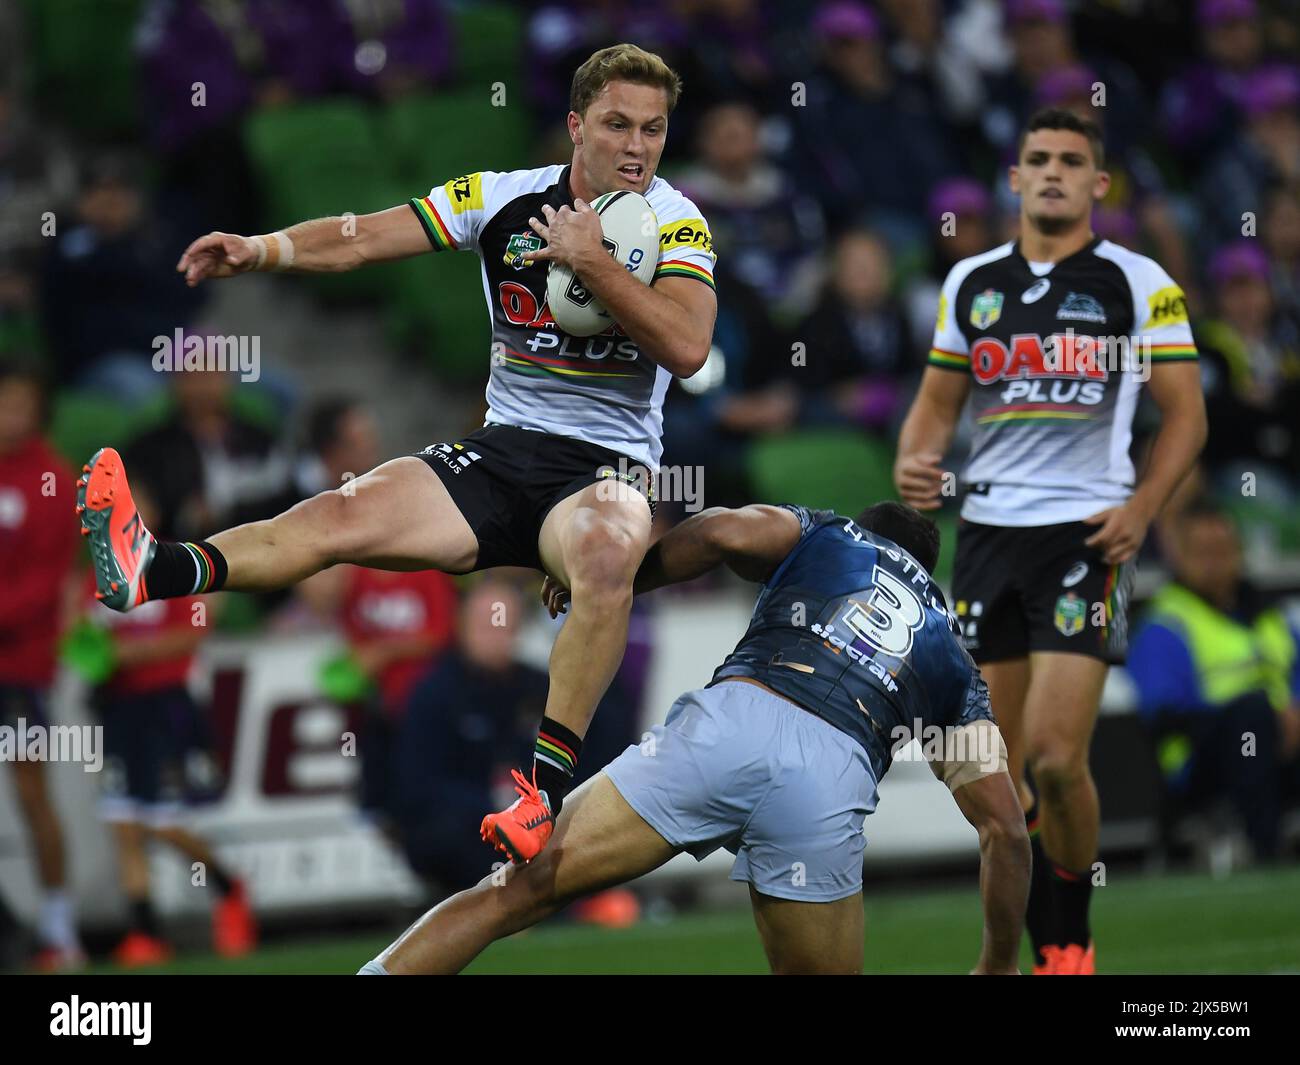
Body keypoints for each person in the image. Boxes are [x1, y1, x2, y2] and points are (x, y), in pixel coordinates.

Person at [76, 44, 717, 866]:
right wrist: (262, 249)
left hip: (607, 467)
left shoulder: (678, 221)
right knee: (338, 513)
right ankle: (149, 570)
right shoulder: (503, 199)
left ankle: (540, 798)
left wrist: (594, 263)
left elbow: (690, 347)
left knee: (603, 553)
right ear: (575, 126)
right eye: (617, 124)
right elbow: (363, 238)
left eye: (654, 130)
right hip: (501, 452)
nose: (636, 146)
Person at [359, 501, 1029, 976]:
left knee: (516, 889)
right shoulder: (950, 656)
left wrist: (619, 586)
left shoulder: (832, 535)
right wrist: (999, 961)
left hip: (731, 722)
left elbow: (718, 532)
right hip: (829, 778)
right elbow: (1006, 829)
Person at [894, 108, 1208, 974]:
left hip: (1087, 532)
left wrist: (1144, 508)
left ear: (1099, 184)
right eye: (1039, 159)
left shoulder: (1139, 281)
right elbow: (934, 404)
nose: (1055, 172)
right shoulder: (972, 285)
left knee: (1060, 759)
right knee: (993, 771)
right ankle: (1048, 940)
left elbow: (1186, 414)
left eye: (1073, 160)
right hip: (990, 535)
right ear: (1015, 178)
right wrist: (916, 460)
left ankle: (1069, 927)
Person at [82, 487, 256, 966]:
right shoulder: (93, 576)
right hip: (117, 706)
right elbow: (85, 635)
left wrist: (130, 653)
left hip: (164, 705)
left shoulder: (165, 561)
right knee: (122, 818)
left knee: (162, 821)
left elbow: (194, 630)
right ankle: (145, 930)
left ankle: (226, 885)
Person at [1127, 500, 1300, 862]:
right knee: (1251, 717)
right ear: (1179, 557)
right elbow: (1164, 715)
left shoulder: (1270, 619)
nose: (1215, 562)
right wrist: (1267, 718)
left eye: (1223, 550)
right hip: (1202, 761)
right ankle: (1264, 853)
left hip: (1282, 743)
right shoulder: (1166, 624)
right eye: (1203, 552)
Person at [0, 362, 84, 969]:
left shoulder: (53, 478)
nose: (13, 412)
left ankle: (60, 929)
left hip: (21, 667)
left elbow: (47, 582)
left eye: (23, 401)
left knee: (32, 794)